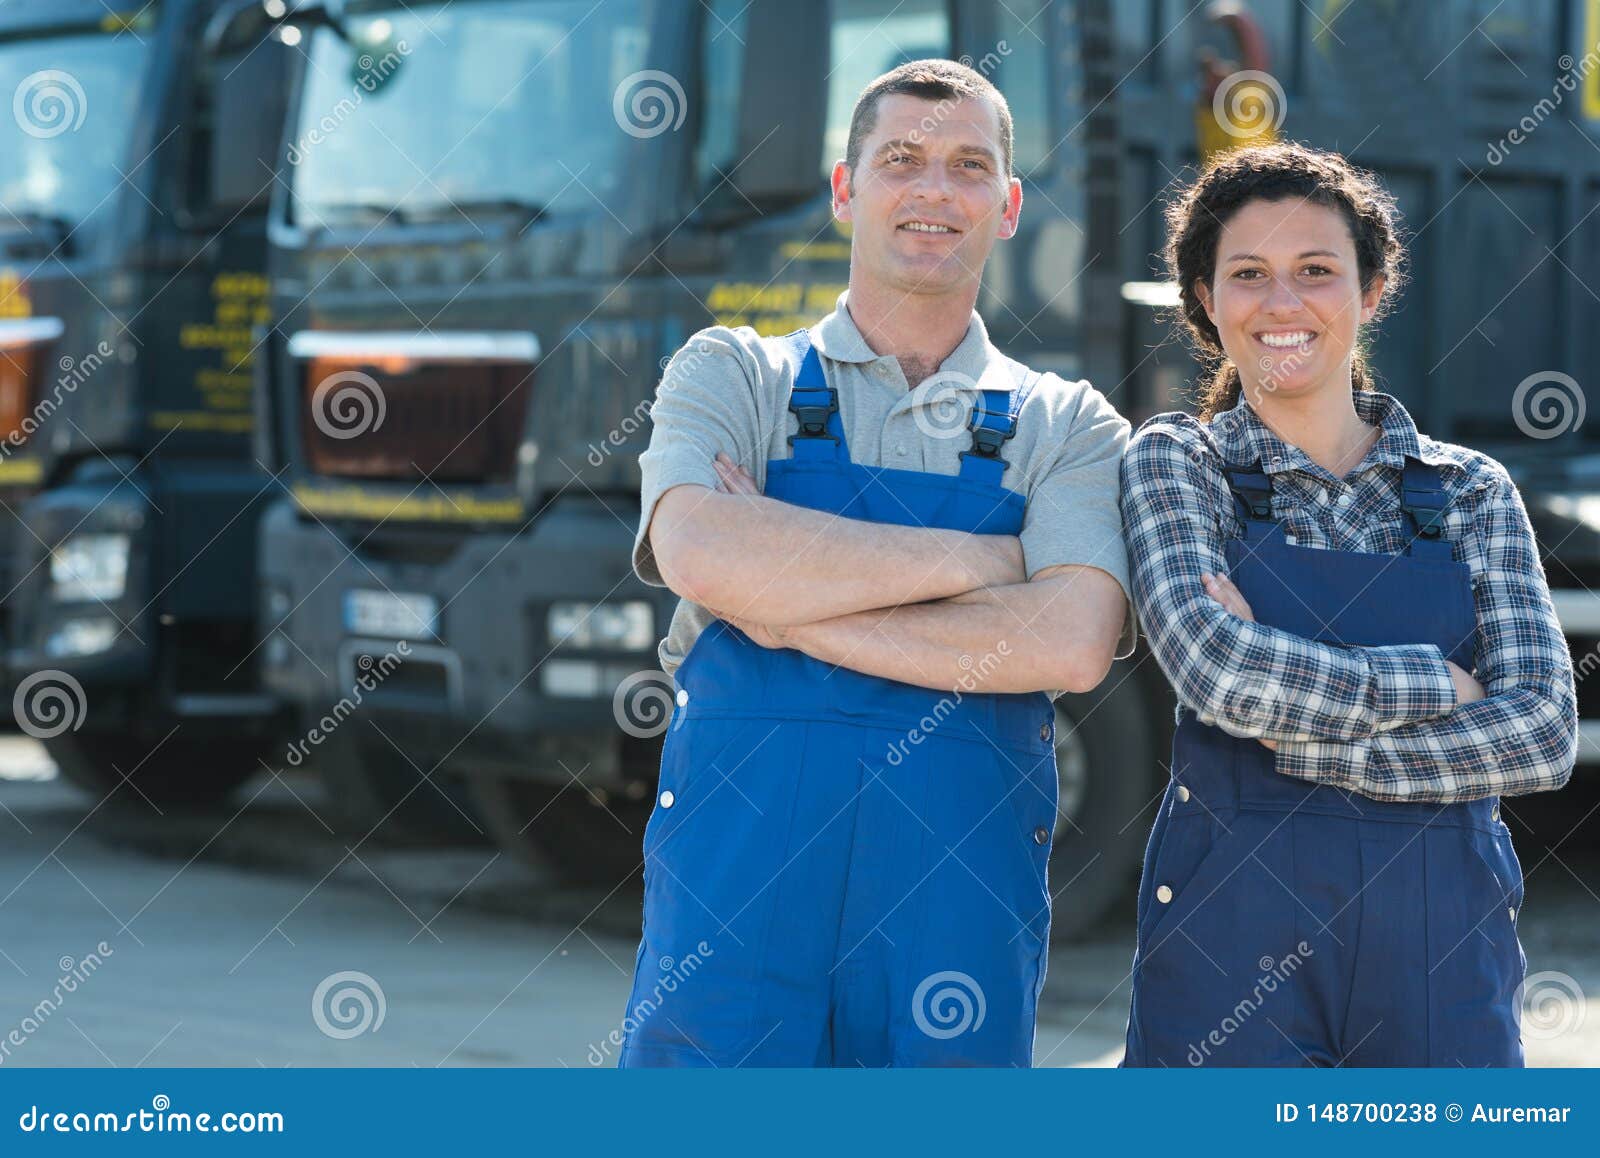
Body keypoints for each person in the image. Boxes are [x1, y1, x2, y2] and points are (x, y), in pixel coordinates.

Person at [617, 59, 1135, 1067]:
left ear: (1009, 205)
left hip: (954, 918)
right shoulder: (731, 372)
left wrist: (785, 608)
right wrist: (988, 561)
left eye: (967, 166)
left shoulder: (1067, 425)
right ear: (844, 187)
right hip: (739, 903)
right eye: (901, 159)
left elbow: (1071, 644)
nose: (934, 189)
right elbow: (696, 547)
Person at [1119, 141, 1578, 1067]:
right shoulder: (1179, 462)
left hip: (1441, 948)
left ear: (1371, 293)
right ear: (1207, 302)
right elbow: (1218, 673)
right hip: (1226, 942)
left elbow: (1541, 734)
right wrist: (1437, 684)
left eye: (1316, 271)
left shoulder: (1469, 490)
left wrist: (1302, 741)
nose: (1282, 302)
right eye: (1248, 273)